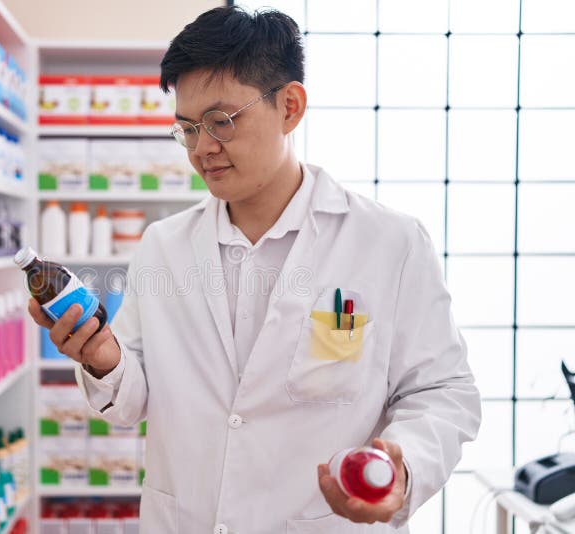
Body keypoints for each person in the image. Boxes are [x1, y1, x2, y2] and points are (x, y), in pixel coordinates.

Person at [27, 6, 481, 533]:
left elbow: (444, 391)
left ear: (290, 107)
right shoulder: (163, 247)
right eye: (188, 129)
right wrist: (104, 358)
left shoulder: (390, 243)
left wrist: (404, 467)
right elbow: (132, 402)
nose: (202, 149)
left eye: (221, 121)